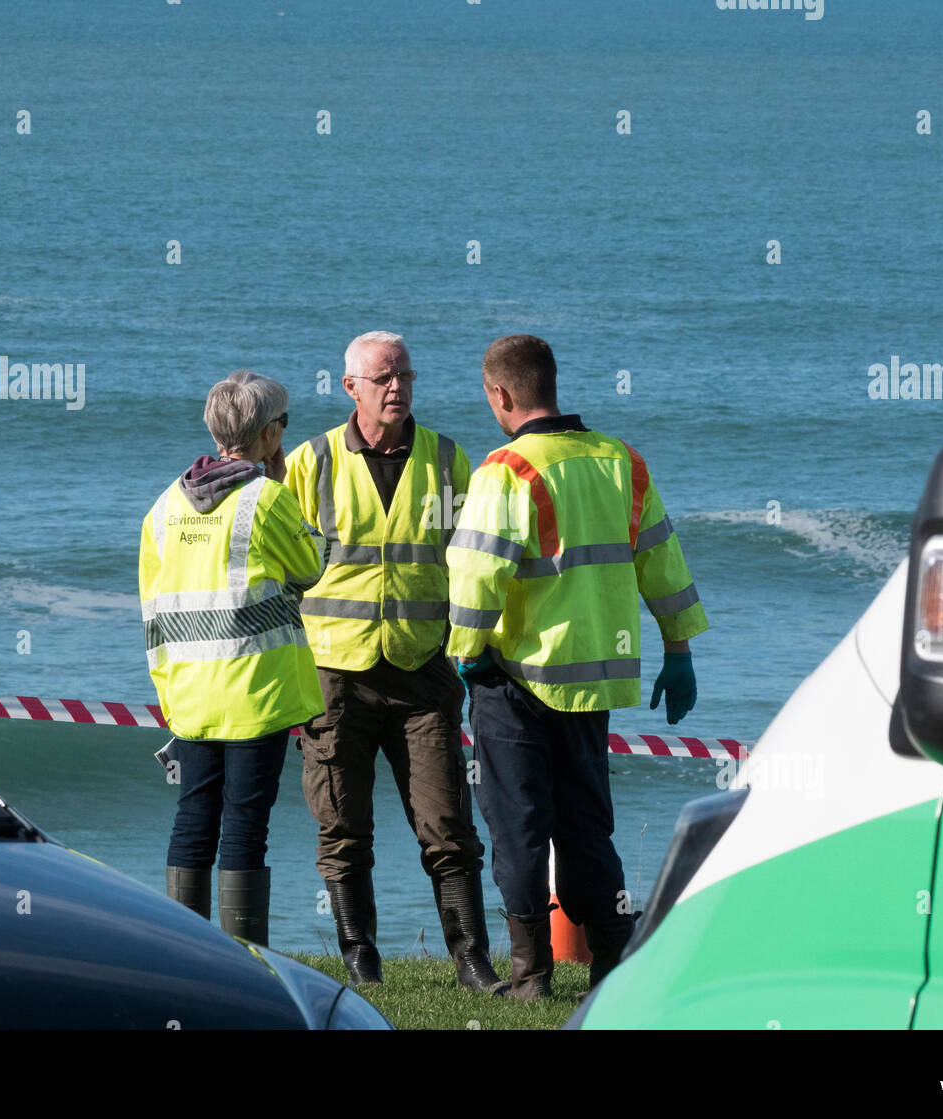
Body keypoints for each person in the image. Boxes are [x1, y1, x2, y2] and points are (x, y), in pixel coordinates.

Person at [447, 334, 707, 999]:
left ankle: (532, 975)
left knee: (518, 824)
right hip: (596, 679)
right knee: (588, 824)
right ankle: (614, 959)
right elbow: (663, 561)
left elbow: (477, 569)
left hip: (518, 679)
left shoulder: (507, 468)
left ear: (501, 394)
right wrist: (679, 648)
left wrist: (466, 651)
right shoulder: (625, 462)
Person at [284, 331, 504, 992]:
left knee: (449, 824)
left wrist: (475, 641)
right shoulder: (311, 462)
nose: (398, 388)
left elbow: (475, 560)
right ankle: (361, 961)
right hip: (333, 673)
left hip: (422, 670)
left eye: (406, 376)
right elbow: (276, 569)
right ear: (350, 386)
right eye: (383, 378)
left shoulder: (445, 459)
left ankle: (471, 962)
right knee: (342, 824)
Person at [139, 370, 328, 946]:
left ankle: (187, 959)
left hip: (190, 694)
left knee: (192, 821)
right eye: (285, 426)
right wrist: (282, 488)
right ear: (270, 433)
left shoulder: (165, 507)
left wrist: (168, 692)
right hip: (254, 692)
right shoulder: (265, 499)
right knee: (246, 829)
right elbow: (312, 566)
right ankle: (247, 963)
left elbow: (154, 608)